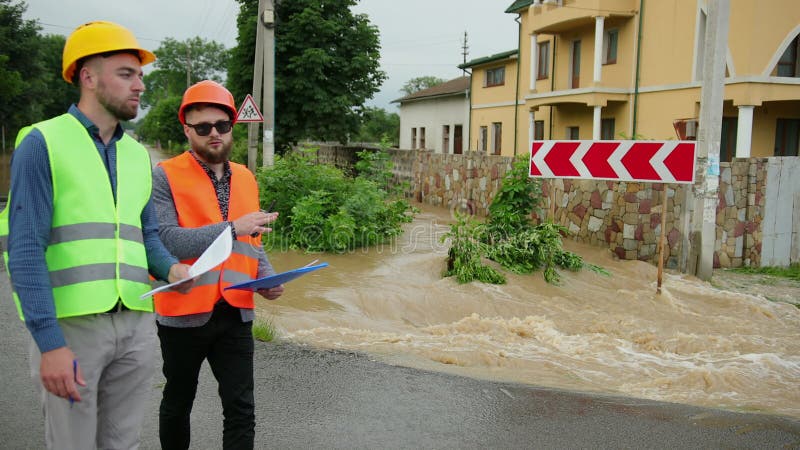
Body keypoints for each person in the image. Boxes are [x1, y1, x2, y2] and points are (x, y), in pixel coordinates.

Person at [0, 21, 194, 449]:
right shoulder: (42, 142)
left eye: (139, 74)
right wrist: (49, 343)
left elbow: (146, 236)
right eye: (126, 74)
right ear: (88, 77)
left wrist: (172, 269)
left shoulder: (137, 155)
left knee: (124, 443)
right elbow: (25, 249)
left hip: (135, 323)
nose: (140, 85)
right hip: (72, 330)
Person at [152, 80, 284, 450]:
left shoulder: (246, 177)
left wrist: (267, 278)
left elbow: (251, 239)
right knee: (178, 402)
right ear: (187, 129)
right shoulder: (165, 175)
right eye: (203, 127)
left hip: (236, 311)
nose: (214, 133)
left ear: (231, 127)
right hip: (183, 313)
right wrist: (231, 227)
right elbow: (165, 239)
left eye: (222, 125)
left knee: (241, 408)